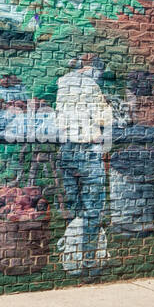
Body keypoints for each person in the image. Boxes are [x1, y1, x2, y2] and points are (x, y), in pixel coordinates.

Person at [55, 53, 113, 277]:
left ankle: (71, 256)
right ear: (92, 70)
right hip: (87, 150)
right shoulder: (90, 87)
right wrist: (107, 107)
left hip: (66, 150)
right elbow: (104, 119)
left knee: (75, 208)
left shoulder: (63, 84)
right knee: (93, 210)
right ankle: (88, 260)